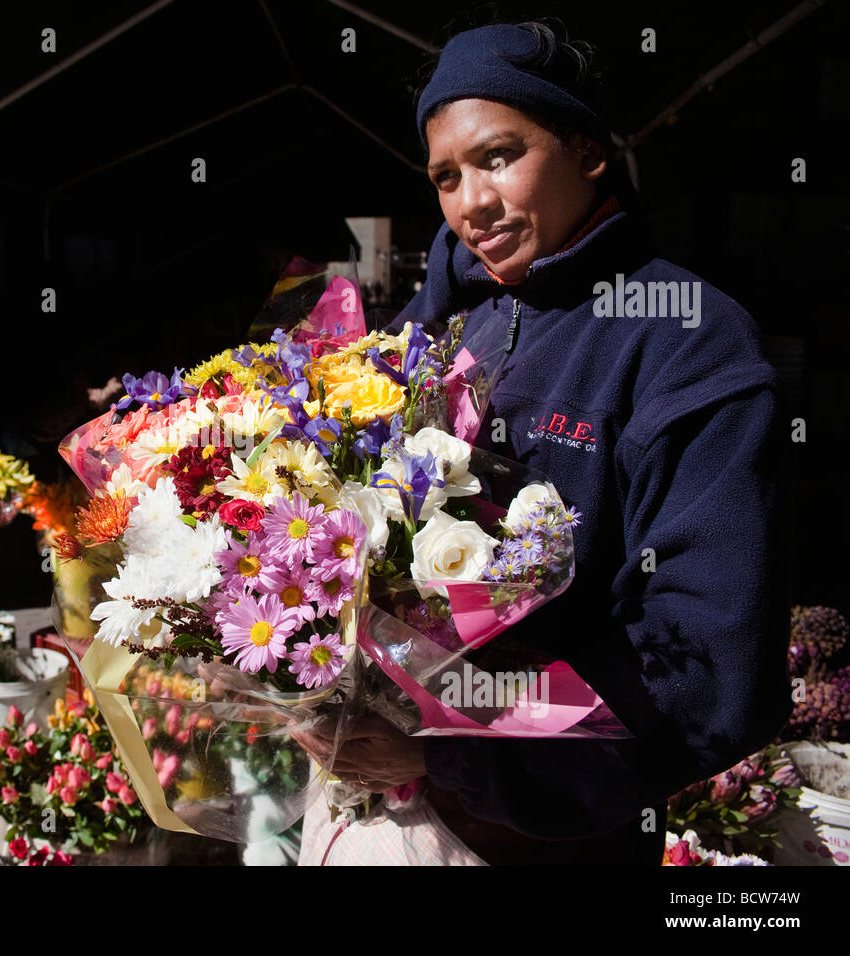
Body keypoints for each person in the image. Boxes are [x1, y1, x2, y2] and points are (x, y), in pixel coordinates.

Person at [303, 20, 792, 866]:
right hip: (365, 806)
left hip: (536, 836)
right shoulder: (440, 327)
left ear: (588, 152)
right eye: (446, 177)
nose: (472, 204)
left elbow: (709, 669)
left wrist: (449, 750)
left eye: (499, 157)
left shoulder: (690, 342)